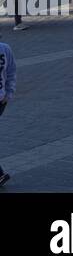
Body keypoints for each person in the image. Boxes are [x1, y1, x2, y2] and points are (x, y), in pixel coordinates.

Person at [0, 36, 13, 187]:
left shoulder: (5, 49)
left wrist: (8, 93)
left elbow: (11, 72)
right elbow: (11, 73)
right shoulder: (5, 48)